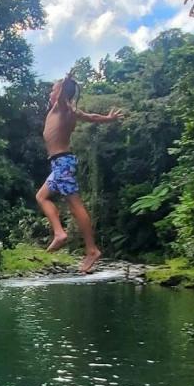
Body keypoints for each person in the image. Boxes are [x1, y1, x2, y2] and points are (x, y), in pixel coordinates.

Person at [36, 75, 124, 274]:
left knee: (75, 205)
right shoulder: (66, 111)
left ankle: (91, 249)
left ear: (60, 94)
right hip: (59, 164)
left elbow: (65, 96)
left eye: (53, 90)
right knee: (41, 196)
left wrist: (66, 81)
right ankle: (59, 233)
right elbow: (92, 117)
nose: (50, 93)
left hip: (63, 163)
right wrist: (109, 119)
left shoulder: (62, 108)